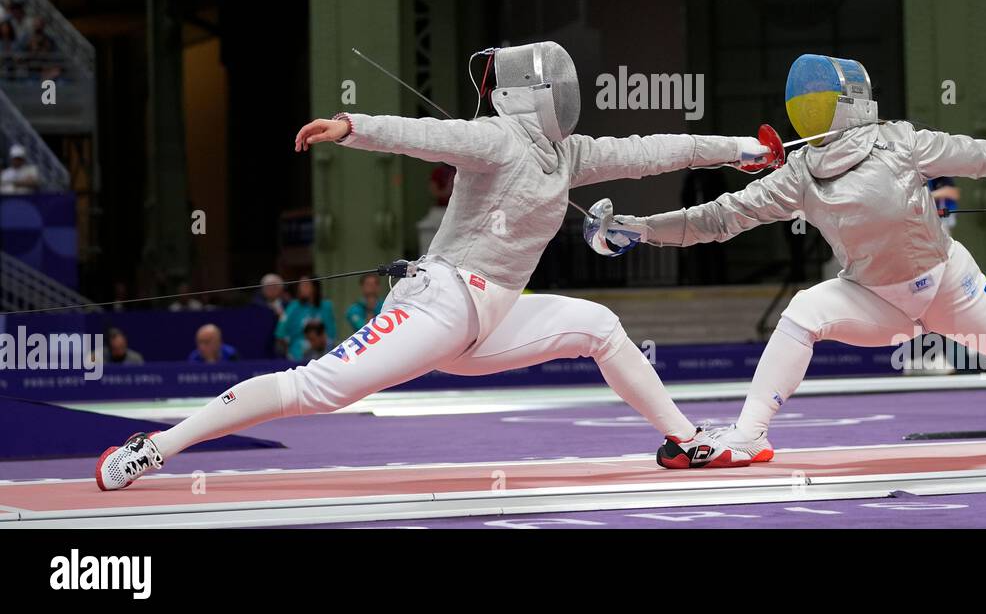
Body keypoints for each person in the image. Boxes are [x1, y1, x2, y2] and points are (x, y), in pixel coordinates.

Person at [95, 41, 781, 490]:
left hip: (496, 318)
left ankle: (684, 442)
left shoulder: (571, 156)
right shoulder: (495, 138)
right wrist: (352, 126)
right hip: (441, 303)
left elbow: (653, 147)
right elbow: (428, 136)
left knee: (599, 324)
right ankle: (158, 446)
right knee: (319, 387)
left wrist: (737, 149)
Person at [591, 54, 986, 467]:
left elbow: (974, 155)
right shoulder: (796, 174)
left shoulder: (899, 141)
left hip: (953, 288)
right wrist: (642, 229)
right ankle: (749, 437)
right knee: (804, 310)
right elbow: (718, 217)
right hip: (876, 300)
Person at [275, 277, 336, 360]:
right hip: (297, 355)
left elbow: (331, 334)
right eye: (300, 285)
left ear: (315, 287)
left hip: (323, 355)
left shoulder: (326, 306)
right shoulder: (293, 306)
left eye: (306, 285)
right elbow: (280, 332)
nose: (301, 288)